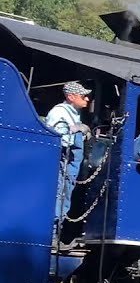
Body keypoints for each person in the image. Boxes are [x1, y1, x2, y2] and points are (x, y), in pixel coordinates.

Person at [45, 81, 92, 218]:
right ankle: (53, 231)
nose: (87, 99)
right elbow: (57, 135)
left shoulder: (74, 114)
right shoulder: (58, 112)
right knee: (58, 195)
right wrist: (76, 129)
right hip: (61, 162)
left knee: (65, 196)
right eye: (83, 96)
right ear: (71, 97)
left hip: (70, 166)